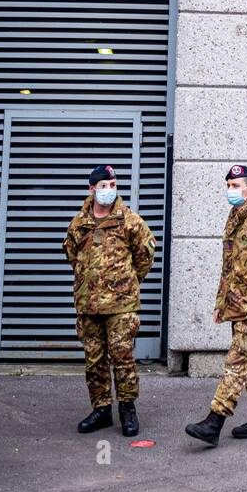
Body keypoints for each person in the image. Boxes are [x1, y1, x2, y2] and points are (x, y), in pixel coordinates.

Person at [185, 164, 247, 447]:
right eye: (228, 186)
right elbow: (228, 267)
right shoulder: (235, 218)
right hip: (236, 306)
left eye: (236, 185)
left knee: (237, 363)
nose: (231, 190)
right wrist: (221, 303)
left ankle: (214, 422)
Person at [63, 163, 156, 437]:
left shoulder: (130, 221)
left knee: (122, 358)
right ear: (92, 189)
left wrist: (126, 282)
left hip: (121, 305)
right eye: (104, 186)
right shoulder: (79, 222)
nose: (109, 191)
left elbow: (145, 257)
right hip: (88, 304)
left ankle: (127, 409)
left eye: (113, 186)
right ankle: (101, 410)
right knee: (94, 360)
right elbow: (71, 255)